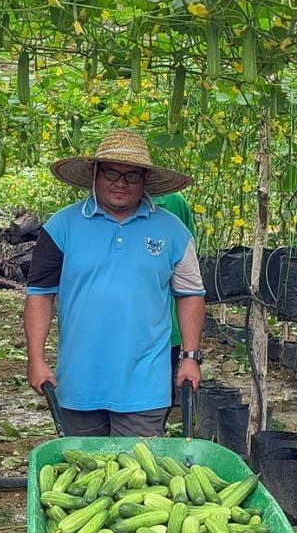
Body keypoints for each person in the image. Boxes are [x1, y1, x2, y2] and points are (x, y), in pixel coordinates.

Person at [24, 129, 206, 437]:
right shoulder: (61, 226)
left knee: (140, 477)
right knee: (83, 478)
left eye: (132, 176)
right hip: (78, 382)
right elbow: (39, 296)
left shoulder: (173, 231)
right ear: (95, 174)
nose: (120, 183)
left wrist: (190, 358)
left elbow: (190, 295)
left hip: (145, 384)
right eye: (111, 173)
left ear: (145, 180)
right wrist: (36, 359)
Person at [152, 192, 197, 407]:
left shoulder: (174, 204)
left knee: (159, 393)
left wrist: (191, 355)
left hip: (166, 324)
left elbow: (187, 258)